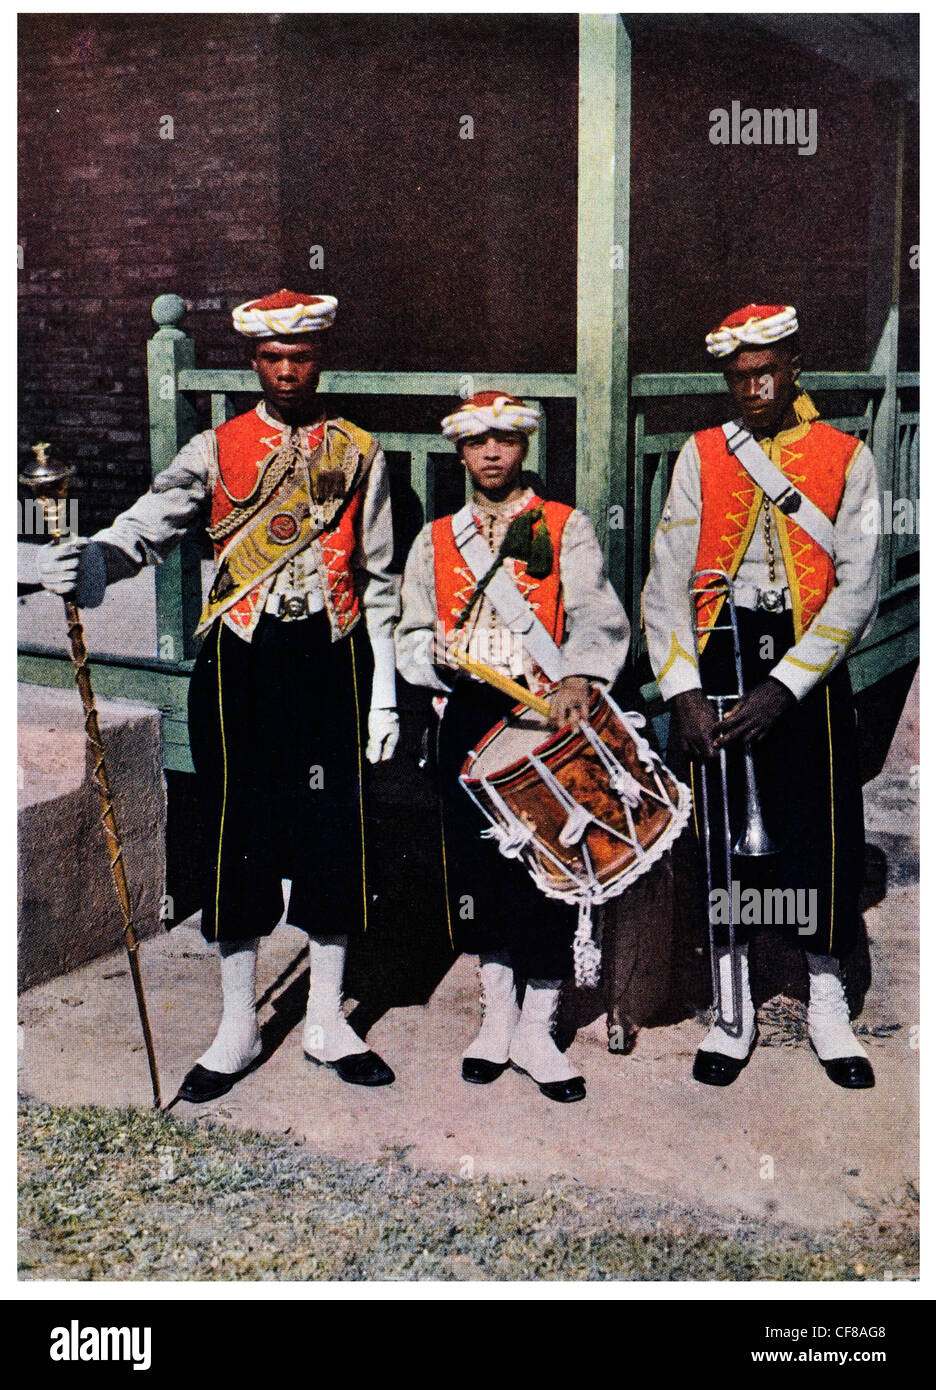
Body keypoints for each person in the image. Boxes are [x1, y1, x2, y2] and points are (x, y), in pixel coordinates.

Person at [37, 289, 401, 1099]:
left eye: (300, 356)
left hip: (333, 656)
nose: (286, 371)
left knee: (333, 828)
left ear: (320, 359)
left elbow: (383, 581)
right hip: (244, 658)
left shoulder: (360, 452)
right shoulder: (216, 447)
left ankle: (326, 1022)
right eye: (272, 358)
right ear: (253, 364)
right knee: (241, 827)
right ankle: (237, 1024)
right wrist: (90, 564)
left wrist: (387, 697)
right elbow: (147, 528)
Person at [642, 302, 881, 1089]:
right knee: (724, 838)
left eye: (766, 373)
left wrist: (787, 685)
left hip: (805, 666)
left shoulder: (849, 457)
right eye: (738, 377)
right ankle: (734, 1003)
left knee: (823, 834)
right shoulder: (700, 455)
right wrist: (681, 691)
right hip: (720, 653)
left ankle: (826, 1001)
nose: (752, 390)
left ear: (793, 369)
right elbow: (667, 583)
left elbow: (859, 589)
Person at [395, 391, 630, 1102]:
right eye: (477, 443)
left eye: (505, 440)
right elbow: (407, 635)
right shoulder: (436, 537)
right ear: (460, 453)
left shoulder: (564, 526)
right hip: (469, 716)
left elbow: (597, 617)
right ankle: (495, 1015)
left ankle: (539, 1024)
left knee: (549, 866)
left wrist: (580, 679)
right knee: (476, 865)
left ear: (524, 447)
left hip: (546, 717)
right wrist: (432, 657)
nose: (492, 454)